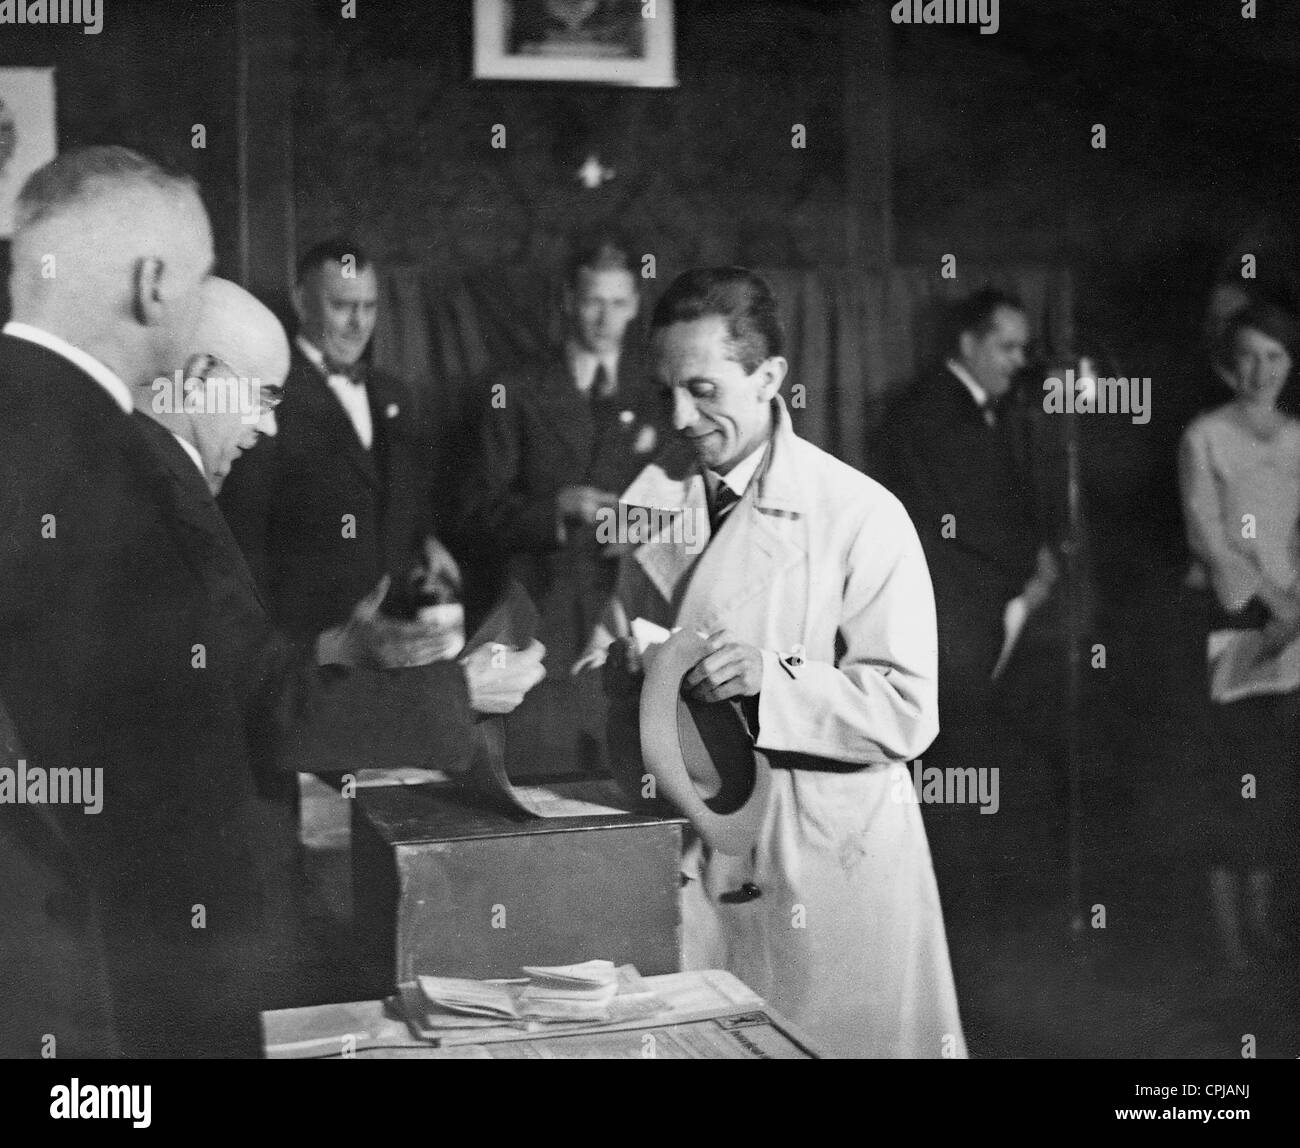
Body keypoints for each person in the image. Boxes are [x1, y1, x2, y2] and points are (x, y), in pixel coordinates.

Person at [131, 276, 548, 1005]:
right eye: (261, 399)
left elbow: (229, 677)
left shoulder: (158, 481)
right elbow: (268, 713)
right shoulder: (162, 500)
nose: (263, 428)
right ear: (199, 378)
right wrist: (460, 690)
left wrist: (334, 651)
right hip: (187, 892)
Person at [586, 267, 965, 1058]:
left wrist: (773, 681)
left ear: (768, 378)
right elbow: (618, 636)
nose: (682, 418)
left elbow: (907, 710)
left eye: (703, 389)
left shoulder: (858, 515)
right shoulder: (653, 500)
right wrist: (622, 670)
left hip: (823, 858)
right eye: (666, 394)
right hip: (700, 838)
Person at [870, 288, 1058, 911]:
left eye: (1022, 348)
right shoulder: (931, 413)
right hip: (955, 623)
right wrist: (1033, 565)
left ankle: (970, 908)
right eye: (1006, 346)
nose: (1017, 361)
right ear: (968, 343)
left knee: (977, 773)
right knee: (955, 774)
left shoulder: (974, 410)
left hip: (974, 619)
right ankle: (957, 914)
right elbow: (966, 523)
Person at [459, 236, 661, 775]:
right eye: (594, 301)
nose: (604, 317)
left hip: (626, 618)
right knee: (541, 774)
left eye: (618, 303)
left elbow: (682, 507)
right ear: (569, 301)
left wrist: (642, 524)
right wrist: (557, 507)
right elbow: (475, 513)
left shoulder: (660, 396)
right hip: (537, 616)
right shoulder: (513, 389)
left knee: (622, 776)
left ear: (636, 306)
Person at [218, 238, 456, 640]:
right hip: (311, 643)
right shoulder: (267, 394)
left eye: (369, 307)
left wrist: (426, 543)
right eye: (343, 306)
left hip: (396, 634)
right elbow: (245, 542)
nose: (359, 324)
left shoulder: (393, 394)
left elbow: (402, 503)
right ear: (301, 302)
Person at [1178, 301, 1300, 969]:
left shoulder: (1298, 437)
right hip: (1236, 622)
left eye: (1276, 357)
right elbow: (1210, 537)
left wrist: (1296, 606)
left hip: (1296, 623)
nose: (1262, 371)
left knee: (1278, 781)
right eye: (1249, 356)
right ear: (1230, 365)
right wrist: (1274, 604)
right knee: (1234, 780)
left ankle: (1265, 923)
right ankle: (1229, 945)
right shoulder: (1204, 436)